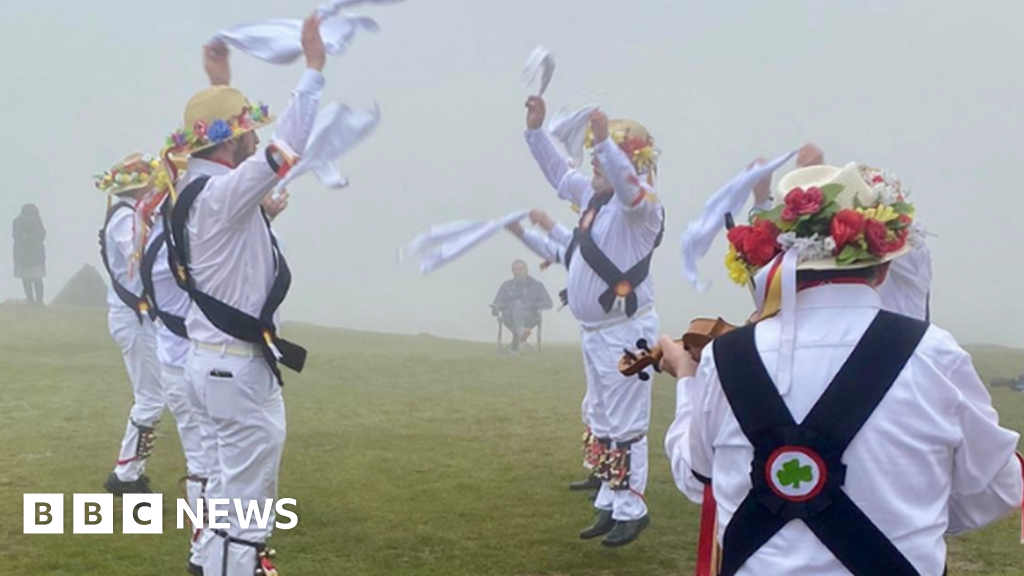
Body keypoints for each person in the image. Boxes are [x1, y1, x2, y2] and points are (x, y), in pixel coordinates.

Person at [663, 161, 1023, 576]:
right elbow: (998, 485)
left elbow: (696, 478)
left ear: (780, 265)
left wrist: (687, 383)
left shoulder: (725, 358)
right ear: (884, 265)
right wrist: (914, 515)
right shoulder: (933, 354)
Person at [165, 15, 325, 576]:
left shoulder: (192, 191)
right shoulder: (221, 195)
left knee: (226, 492)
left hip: (210, 365)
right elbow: (286, 149)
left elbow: (244, 189)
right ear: (233, 141)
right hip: (234, 369)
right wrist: (314, 70)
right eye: (247, 127)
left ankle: (207, 566)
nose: (256, 133)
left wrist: (221, 82)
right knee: (245, 510)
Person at [524, 93, 665, 547]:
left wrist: (608, 144)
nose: (593, 165)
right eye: (594, 156)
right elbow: (560, 175)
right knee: (604, 419)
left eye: (602, 158)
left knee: (627, 423)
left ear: (633, 163)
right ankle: (609, 496)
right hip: (597, 333)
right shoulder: (593, 197)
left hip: (629, 333)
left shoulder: (643, 208)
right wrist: (536, 131)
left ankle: (632, 507)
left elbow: (628, 190)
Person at [94, 154, 166, 496]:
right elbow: (139, 254)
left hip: (136, 316)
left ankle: (129, 471)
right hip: (133, 317)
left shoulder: (131, 215)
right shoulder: (127, 219)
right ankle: (126, 474)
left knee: (154, 396)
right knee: (151, 398)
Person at [490, 259, 552, 352]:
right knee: (517, 305)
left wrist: (534, 306)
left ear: (526, 269)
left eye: (520, 269)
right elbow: (498, 302)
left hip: (530, 316)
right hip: (509, 316)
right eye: (516, 269)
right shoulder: (506, 286)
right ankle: (521, 332)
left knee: (519, 307)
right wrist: (496, 307)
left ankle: (518, 337)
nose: (518, 272)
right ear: (512, 271)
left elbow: (548, 303)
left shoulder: (537, 286)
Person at [12, 203, 46, 304]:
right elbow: (16, 236)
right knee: (26, 278)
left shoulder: (37, 220)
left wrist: (30, 238)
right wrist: (29, 239)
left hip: (36, 255)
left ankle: (39, 301)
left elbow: (43, 234)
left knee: (37, 279)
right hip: (23, 255)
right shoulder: (17, 221)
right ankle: (30, 299)